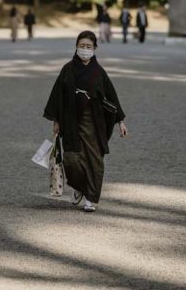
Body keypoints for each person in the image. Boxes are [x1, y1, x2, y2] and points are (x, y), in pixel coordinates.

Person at [43, 30, 127, 213]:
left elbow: (111, 97)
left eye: (89, 46)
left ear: (95, 48)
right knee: (71, 160)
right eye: (82, 46)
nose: (85, 49)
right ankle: (79, 186)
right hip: (70, 121)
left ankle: (90, 198)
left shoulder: (99, 72)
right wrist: (56, 120)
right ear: (76, 47)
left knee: (95, 162)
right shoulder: (67, 69)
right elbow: (57, 96)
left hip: (94, 123)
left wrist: (120, 121)